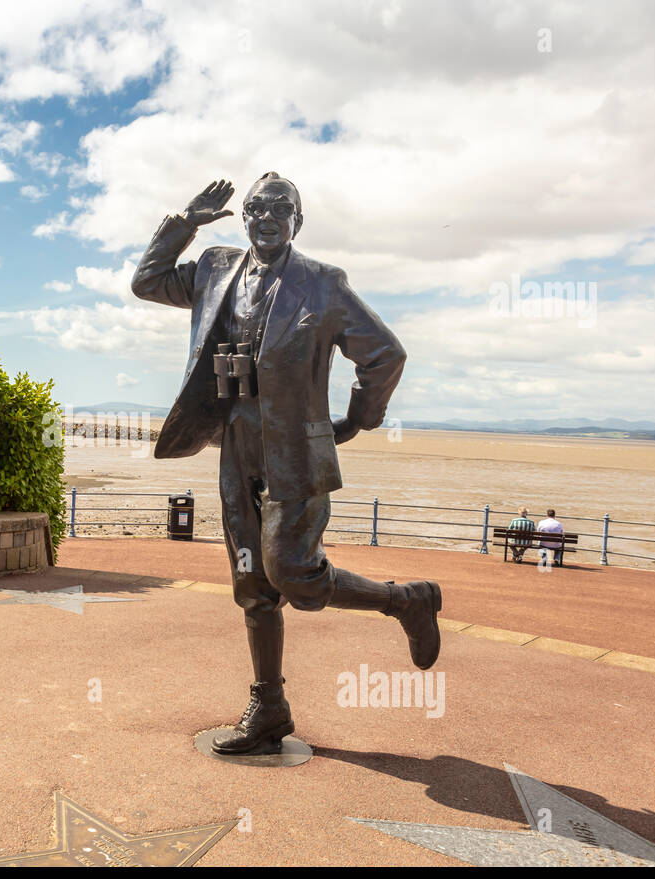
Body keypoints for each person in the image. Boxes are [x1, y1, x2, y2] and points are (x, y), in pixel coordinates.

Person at [131, 173, 441, 756]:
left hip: (294, 450)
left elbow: (384, 353)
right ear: (242, 217)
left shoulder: (322, 284)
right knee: (253, 584)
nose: (265, 216)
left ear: (298, 220)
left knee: (292, 573)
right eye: (254, 208)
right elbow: (146, 282)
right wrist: (187, 223)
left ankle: (406, 601)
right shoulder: (214, 268)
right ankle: (268, 708)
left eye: (280, 208)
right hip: (235, 442)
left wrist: (355, 420)